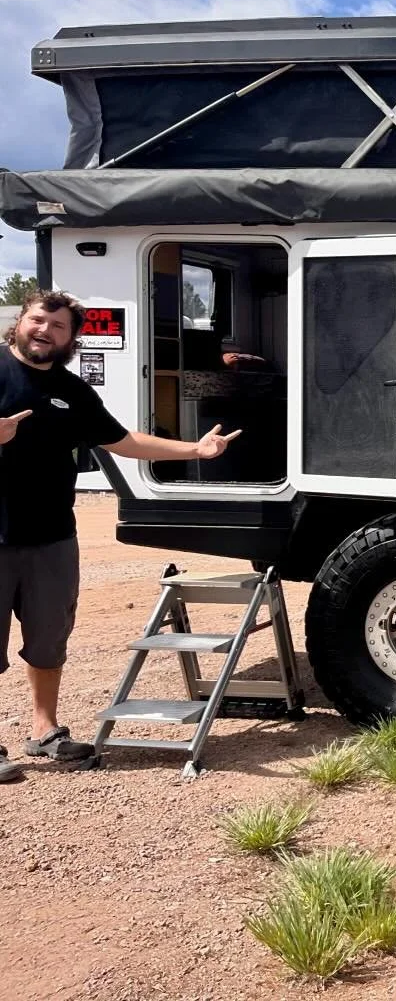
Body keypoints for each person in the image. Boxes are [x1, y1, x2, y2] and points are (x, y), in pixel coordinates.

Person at [0, 290, 240, 782]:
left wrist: (195, 448)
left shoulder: (73, 391)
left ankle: (45, 731)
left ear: (72, 338)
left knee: (49, 639)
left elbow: (124, 440)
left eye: (59, 326)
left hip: (51, 536)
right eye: (38, 320)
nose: (45, 331)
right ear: (20, 321)